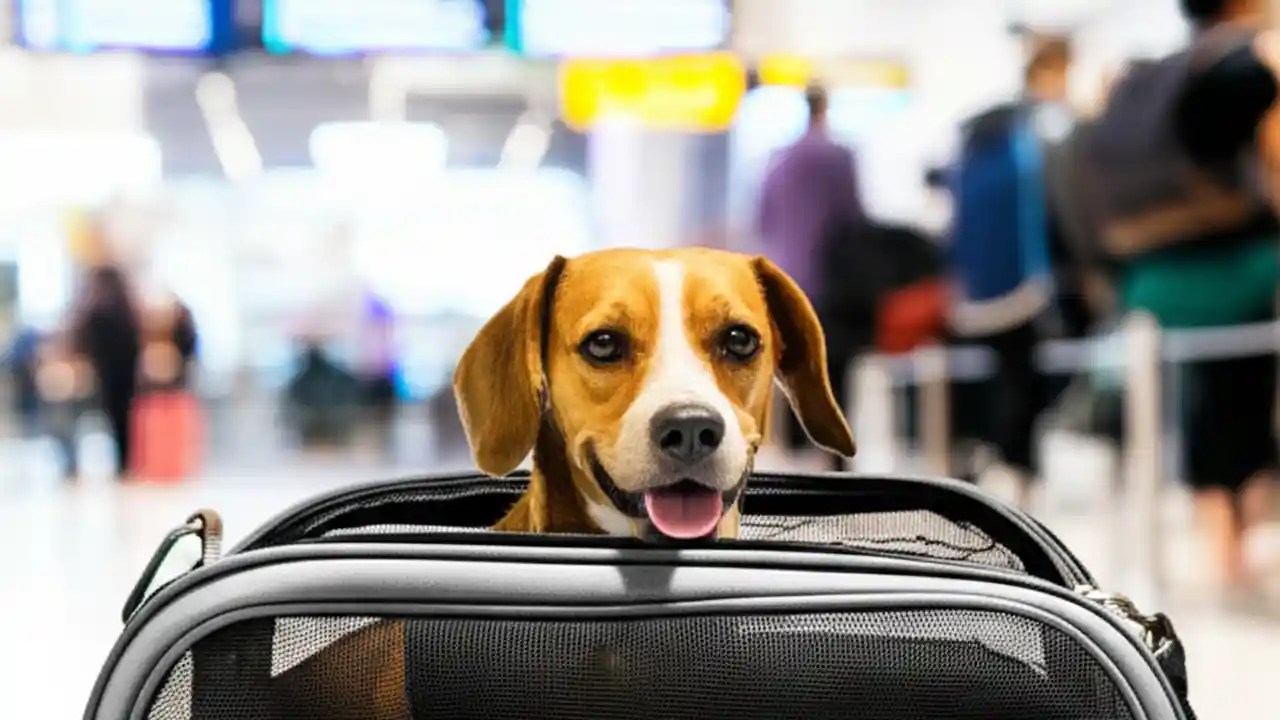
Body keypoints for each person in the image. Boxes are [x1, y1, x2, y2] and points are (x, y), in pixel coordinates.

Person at [1091, 0, 1280, 593]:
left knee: (1197, 409)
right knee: (1237, 406)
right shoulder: (1250, 60)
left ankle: (1220, 550)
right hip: (1241, 272)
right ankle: (1233, 557)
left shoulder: (1155, 75)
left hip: (1155, 275)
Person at [944, 39, 1073, 507]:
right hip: (1025, 289)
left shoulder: (983, 134)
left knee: (995, 382)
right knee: (1027, 385)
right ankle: (1021, 477)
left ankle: (987, 464)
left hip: (975, 293)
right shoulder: (1038, 131)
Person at [757, 84, 864, 466]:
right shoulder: (838, 156)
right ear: (826, 106)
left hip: (787, 278)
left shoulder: (779, 159)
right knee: (834, 370)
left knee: (789, 364)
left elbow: (763, 218)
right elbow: (852, 216)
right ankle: (834, 453)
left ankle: (790, 450)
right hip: (830, 281)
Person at [70, 264, 142, 478]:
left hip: (100, 376)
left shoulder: (93, 311)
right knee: (124, 420)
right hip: (126, 376)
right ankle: (125, 464)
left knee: (86, 419)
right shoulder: (127, 312)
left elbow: (82, 342)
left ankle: (76, 465)